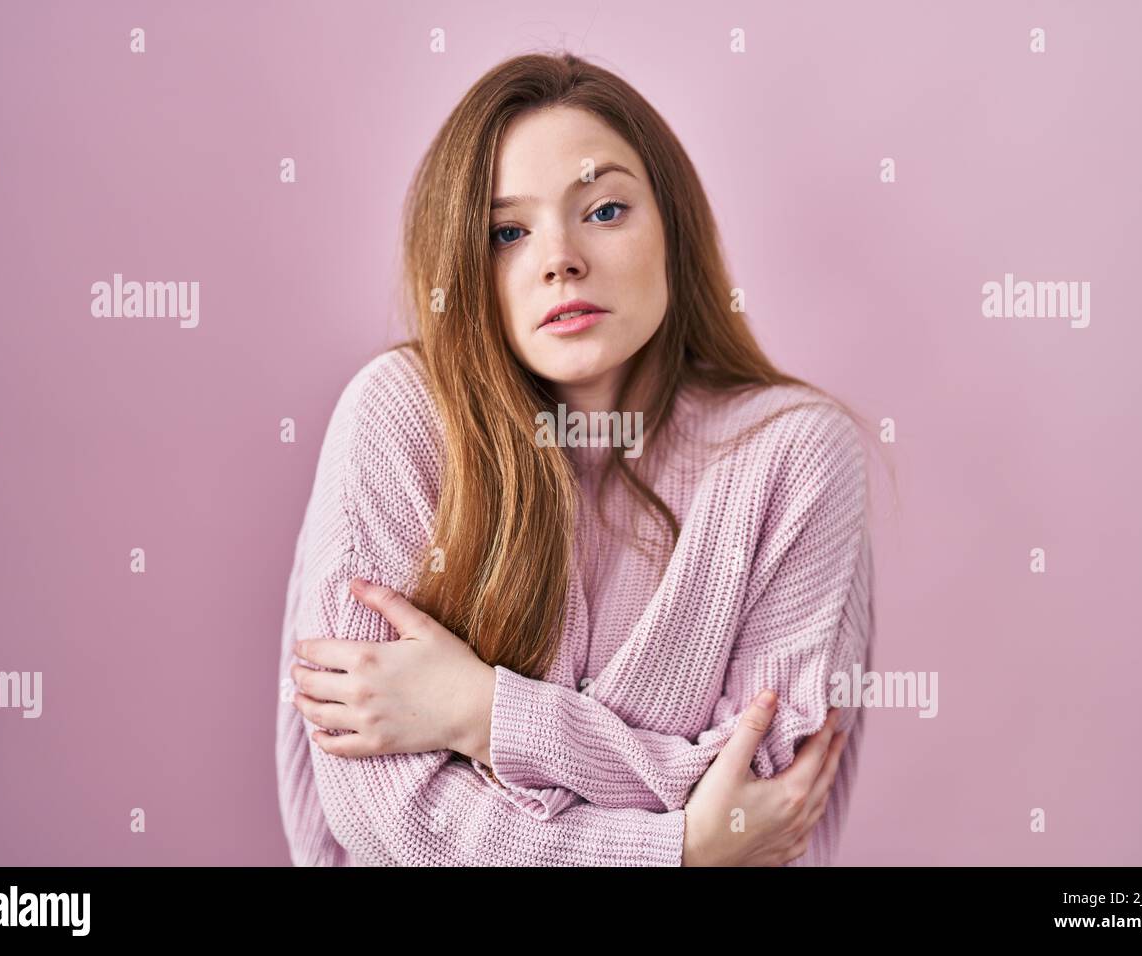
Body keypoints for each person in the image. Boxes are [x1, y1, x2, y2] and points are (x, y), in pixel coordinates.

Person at [276, 51, 877, 866]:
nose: (559, 257)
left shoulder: (796, 454)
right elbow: (386, 813)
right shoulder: (403, 415)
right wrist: (678, 852)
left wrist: (482, 713)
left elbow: (764, 790)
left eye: (603, 210)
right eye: (508, 232)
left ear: (673, 226)